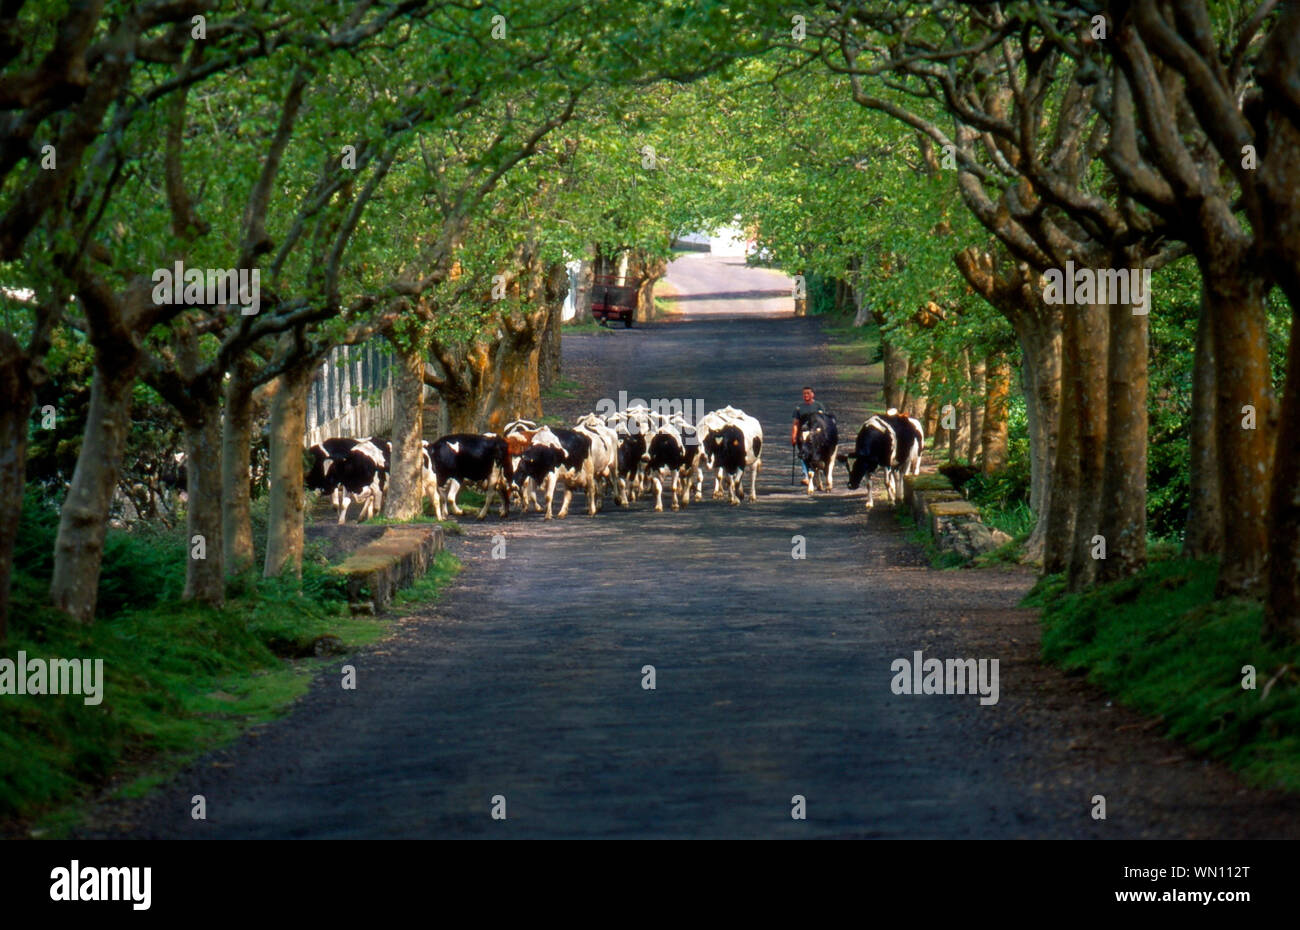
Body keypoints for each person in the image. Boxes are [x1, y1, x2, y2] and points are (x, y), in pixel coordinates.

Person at [791, 386, 826, 486]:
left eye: (808, 393)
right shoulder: (799, 408)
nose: (806, 395)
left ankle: (817, 472)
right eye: (804, 394)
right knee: (803, 454)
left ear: (812, 394)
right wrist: (793, 437)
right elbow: (795, 424)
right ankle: (806, 476)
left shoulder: (819, 406)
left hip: (817, 433)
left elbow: (823, 421)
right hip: (804, 434)